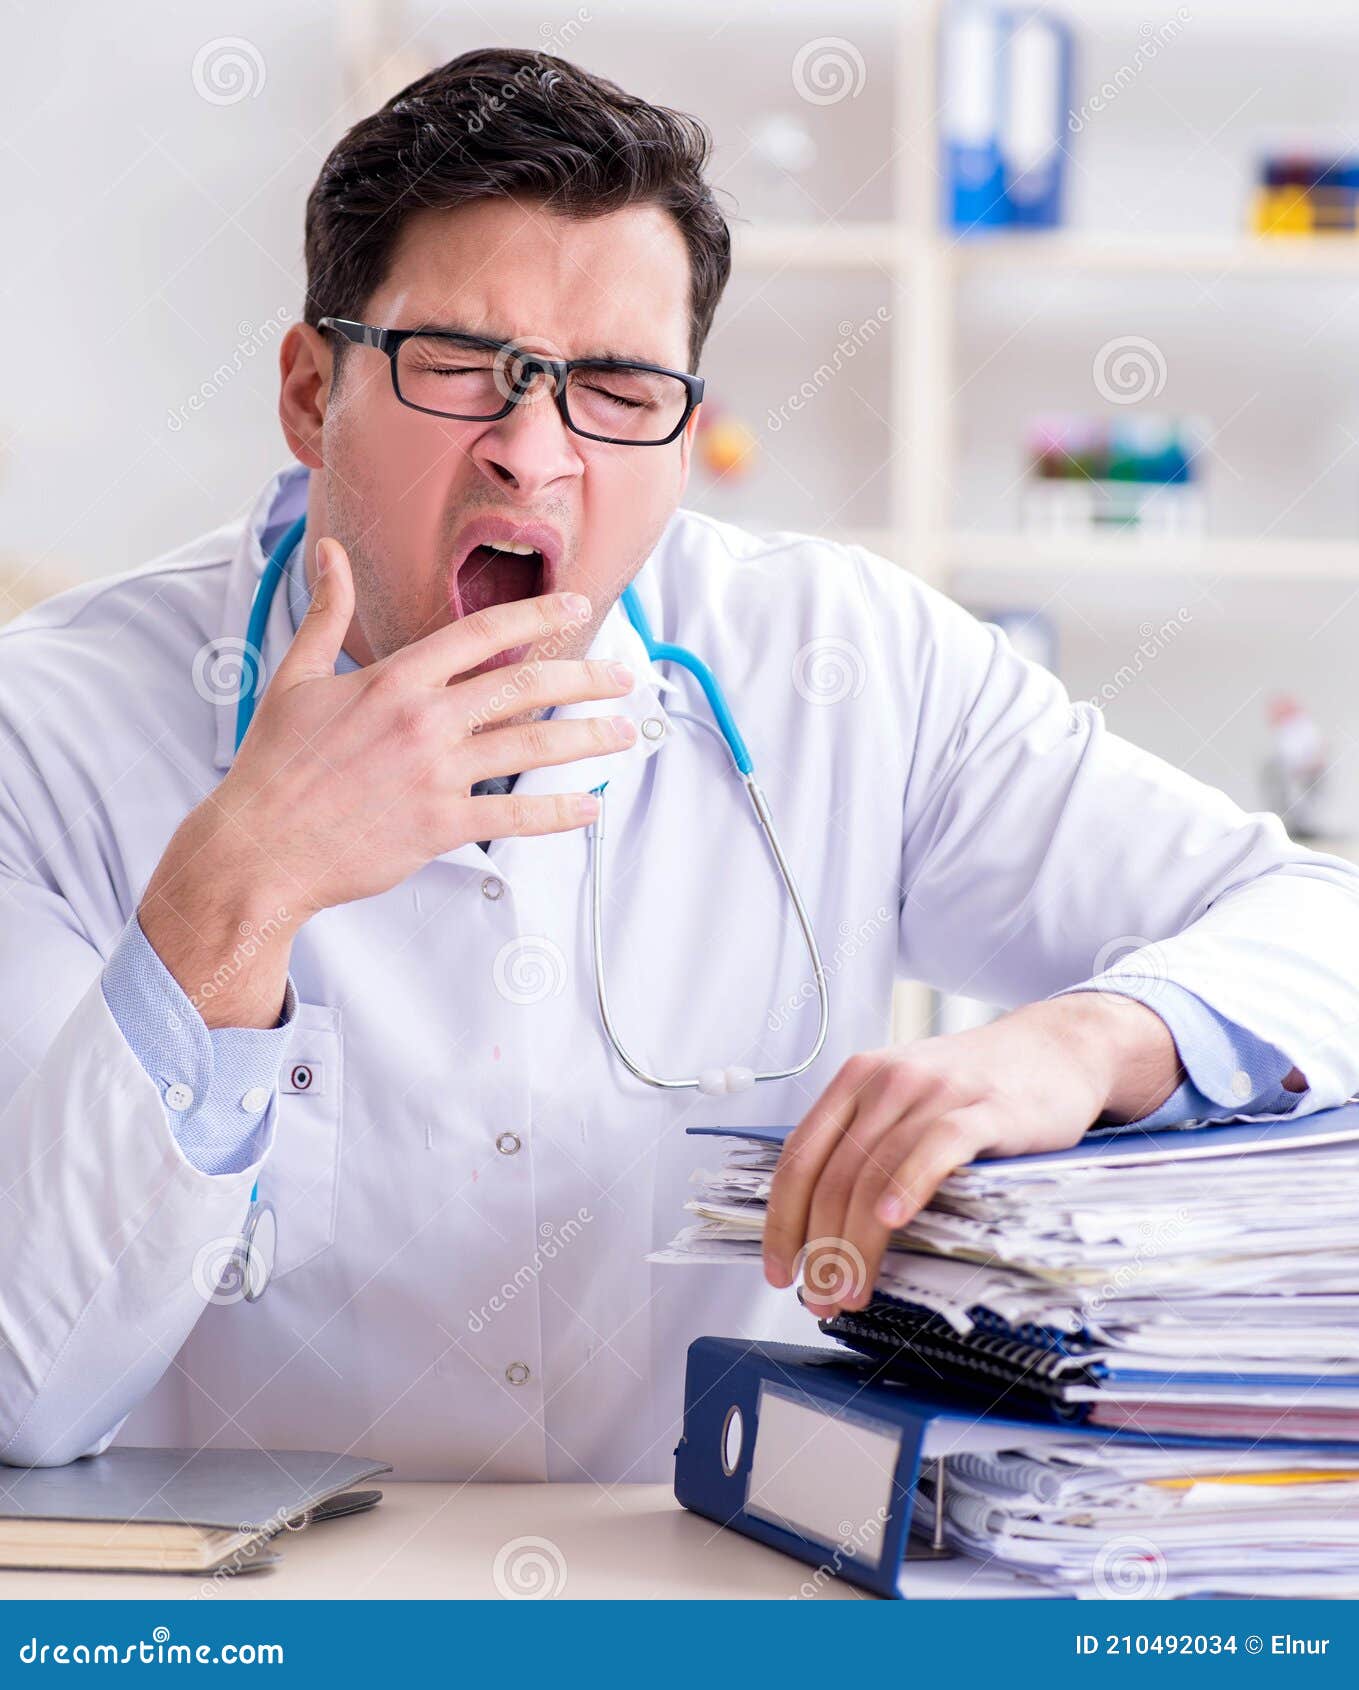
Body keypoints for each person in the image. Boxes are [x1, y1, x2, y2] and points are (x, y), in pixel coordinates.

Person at [0, 49, 1352, 1481]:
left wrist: (1084, 1040)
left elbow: (1316, 923)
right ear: (306, 390)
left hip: (712, 1583)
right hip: (262, 1596)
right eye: (456, 364)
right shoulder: (52, 729)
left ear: (689, 435)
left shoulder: (849, 665)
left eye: (615, 386)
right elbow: (28, 1388)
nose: (532, 453)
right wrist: (233, 896)